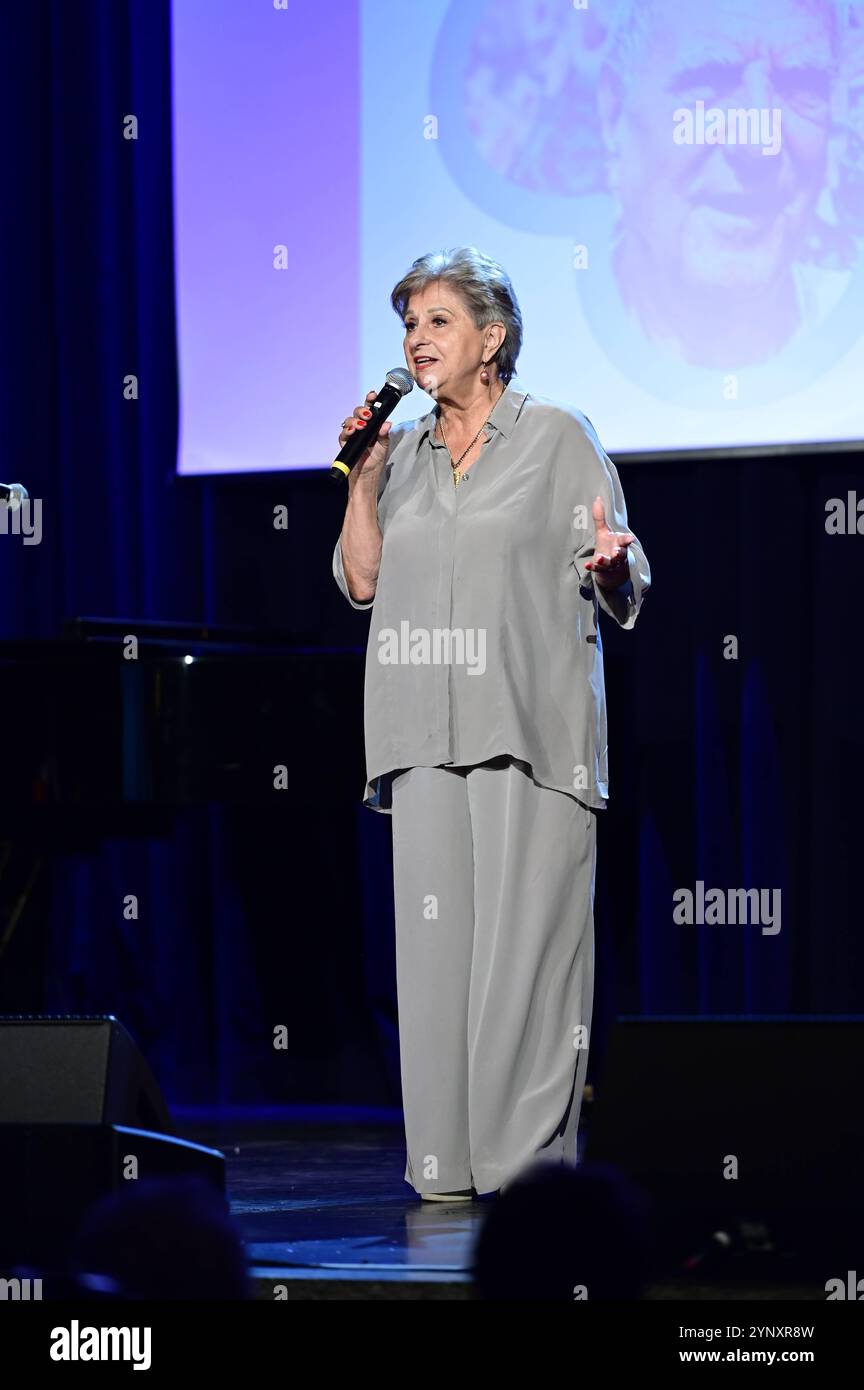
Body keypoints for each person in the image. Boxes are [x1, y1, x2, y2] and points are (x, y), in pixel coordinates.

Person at [332, 247, 650, 1200]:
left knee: (527, 963)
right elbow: (361, 582)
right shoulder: (405, 455)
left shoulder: (556, 436)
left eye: (438, 322)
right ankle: (444, 1169)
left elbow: (624, 574)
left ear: (492, 339)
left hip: (530, 725)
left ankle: (527, 1180)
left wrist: (606, 568)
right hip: (420, 733)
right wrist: (361, 482)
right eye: (409, 325)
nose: (417, 341)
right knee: (434, 965)